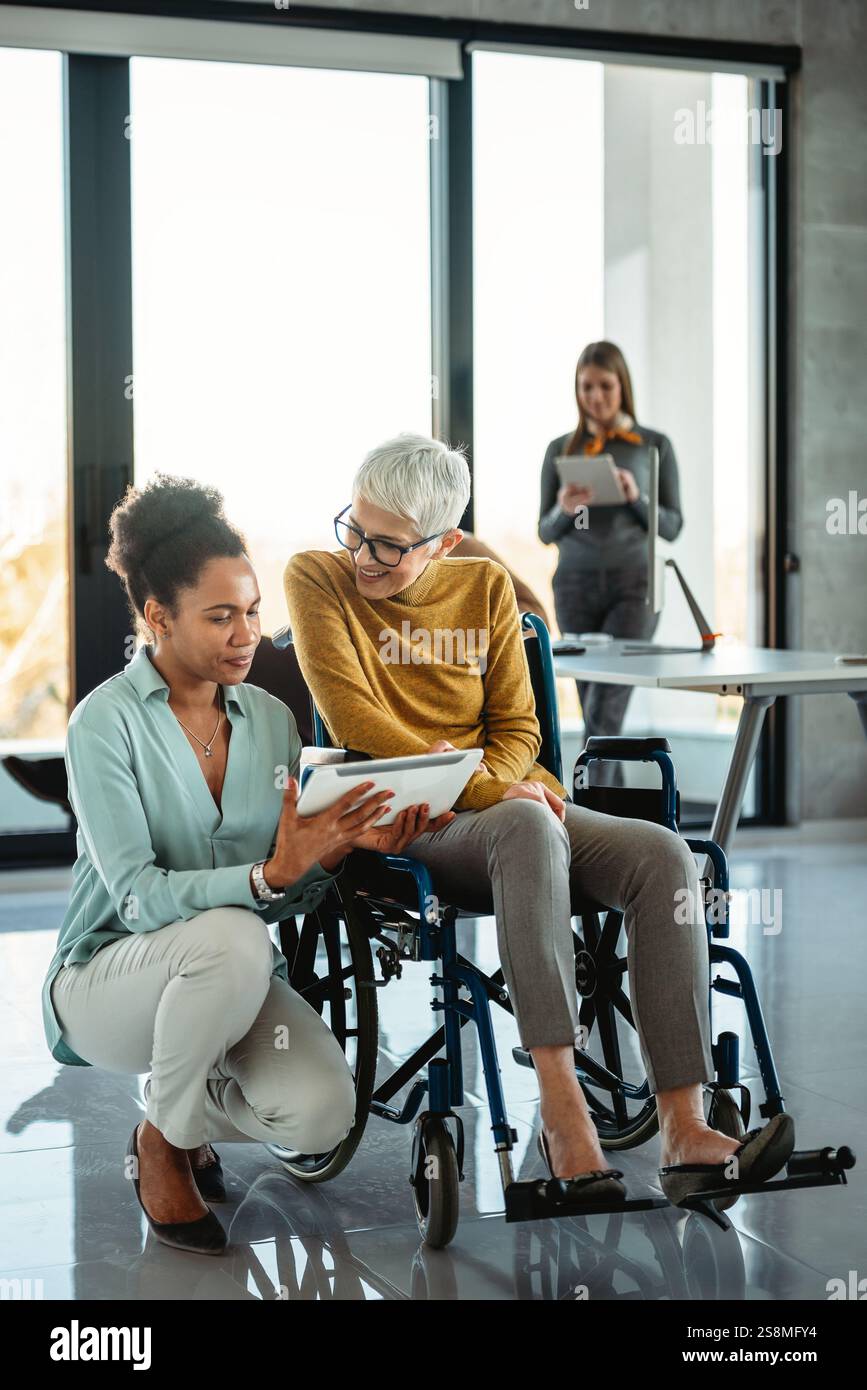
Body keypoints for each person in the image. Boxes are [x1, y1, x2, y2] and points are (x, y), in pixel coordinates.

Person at [283, 432, 794, 1203]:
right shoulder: (316, 578)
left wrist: (501, 780)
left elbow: (521, 727)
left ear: (444, 541)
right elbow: (355, 718)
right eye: (354, 529)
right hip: (407, 817)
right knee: (526, 826)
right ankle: (563, 1116)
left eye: (387, 546)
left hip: (509, 805)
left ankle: (684, 1128)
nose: (362, 555)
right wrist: (493, 791)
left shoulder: (484, 588)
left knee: (662, 855)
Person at [41, 474, 451, 1255]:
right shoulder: (103, 725)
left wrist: (339, 848)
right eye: (221, 616)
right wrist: (265, 878)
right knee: (232, 933)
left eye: (255, 612)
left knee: (322, 1114)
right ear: (158, 617)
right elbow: (136, 899)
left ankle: (178, 1101)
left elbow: (294, 887)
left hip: (225, 981)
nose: (247, 635)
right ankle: (165, 1141)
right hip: (108, 983)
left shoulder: (269, 720)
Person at [539, 340, 682, 786]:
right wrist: (566, 508)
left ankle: (596, 816)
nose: (595, 397)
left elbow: (672, 526)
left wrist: (635, 498)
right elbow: (545, 532)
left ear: (623, 385)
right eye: (586, 387)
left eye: (605, 385)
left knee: (606, 709)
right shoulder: (560, 449)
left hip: (633, 587)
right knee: (595, 710)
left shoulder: (653, 446)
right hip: (575, 587)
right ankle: (609, 817)